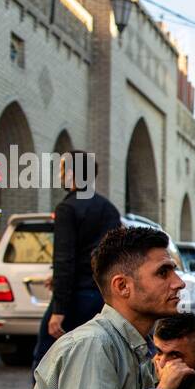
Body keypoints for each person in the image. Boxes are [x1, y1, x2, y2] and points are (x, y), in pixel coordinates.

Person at [34, 225, 185, 389]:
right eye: (163, 273)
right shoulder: (95, 345)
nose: (179, 283)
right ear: (122, 286)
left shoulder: (135, 346)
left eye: (174, 271)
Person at [32, 152, 121, 369]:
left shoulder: (68, 208)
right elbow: (112, 255)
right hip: (103, 297)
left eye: (62, 169)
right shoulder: (109, 209)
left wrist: (59, 310)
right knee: (91, 359)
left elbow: (65, 259)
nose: (60, 175)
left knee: (46, 359)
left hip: (75, 297)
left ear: (71, 173)